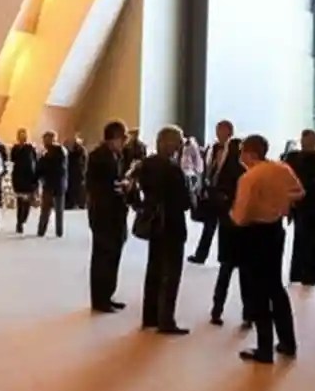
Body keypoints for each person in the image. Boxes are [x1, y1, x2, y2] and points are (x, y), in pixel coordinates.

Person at [234, 134, 304, 364]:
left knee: (259, 292)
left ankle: (264, 349)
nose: (240, 156)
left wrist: (231, 216)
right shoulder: (281, 168)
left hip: (255, 233)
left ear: (251, 154)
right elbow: (299, 192)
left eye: (242, 151)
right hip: (276, 230)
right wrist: (281, 203)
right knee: (275, 287)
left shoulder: (249, 178)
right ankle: (288, 341)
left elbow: (241, 216)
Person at [132, 126, 193, 335]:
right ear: (171, 143)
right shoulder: (173, 169)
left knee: (154, 270)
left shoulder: (146, 164)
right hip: (172, 225)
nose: (180, 146)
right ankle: (166, 319)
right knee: (171, 273)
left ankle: (149, 316)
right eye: (179, 142)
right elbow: (184, 202)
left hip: (154, 223)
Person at [87, 121, 129, 314]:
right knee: (103, 256)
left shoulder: (115, 155)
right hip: (104, 214)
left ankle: (108, 294)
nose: (125, 142)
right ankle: (100, 298)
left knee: (113, 256)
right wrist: (119, 187)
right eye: (123, 137)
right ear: (114, 138)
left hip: (115, 213)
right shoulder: (99, 157)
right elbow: (97, 187)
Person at [210, 138, 247, 326]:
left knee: (225, 269)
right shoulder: (246, 174)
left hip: (227, 225)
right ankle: (248, 313)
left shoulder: (222, 173)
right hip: (243, 226)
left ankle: (217, 308)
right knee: (246, 272)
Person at [286, 129, 315, 285]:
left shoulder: (292, 158)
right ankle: (309, 274)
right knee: (312, 240)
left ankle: (296, 272)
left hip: (298, 202)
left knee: (299, 237)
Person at [190, 120, 235, 264]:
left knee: (226, 228)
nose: (219, 134)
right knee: (208, 226)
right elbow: (207, 168)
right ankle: (200, 255)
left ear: (230, 133)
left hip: (225, 194)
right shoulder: (213, 148)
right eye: (218, 130)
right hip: (211, 191)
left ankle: (225, 257)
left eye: (222, 131)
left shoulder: (236, 150)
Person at [37, 131, 68, 238]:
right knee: (49, 209)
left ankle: (50, 231)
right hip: (53, 184)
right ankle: (46, 230)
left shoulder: (58, 151)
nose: (44, 142)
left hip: (55, 184)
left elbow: (56, 168)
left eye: (46, 140)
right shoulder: (49, 152)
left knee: (52, 209)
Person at [9, 128, 38, 234]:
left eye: (23, 135)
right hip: (18, 177)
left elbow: (35, 161)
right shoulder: (15, 148)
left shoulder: (30, 148)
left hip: (29, 178)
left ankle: (23, 219)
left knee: (27, 202)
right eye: (20, 135)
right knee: (20, 202)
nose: (22, 138)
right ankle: (19, 222)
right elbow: (12, 159)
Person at [66, 134, 88, 210]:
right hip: (73, 174)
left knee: (77, 189)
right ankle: (73, 203)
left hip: (77, 174)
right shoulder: (73, 152)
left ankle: (77, 203)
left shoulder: (81, 151)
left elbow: (83, 162)